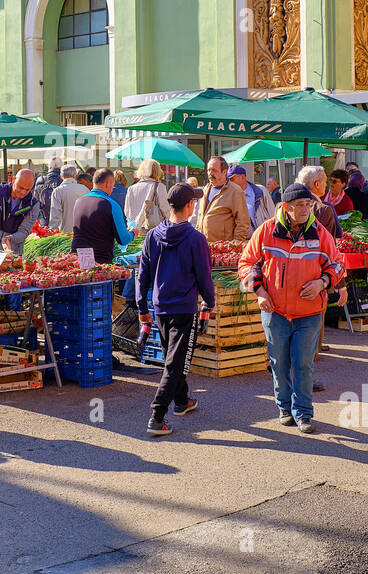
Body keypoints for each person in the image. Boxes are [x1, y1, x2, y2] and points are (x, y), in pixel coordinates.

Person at [239, 184, 345, 435]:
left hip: (308, 313)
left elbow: (338, 265)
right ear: (285, 208)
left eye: (308, 205)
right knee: (279, 362)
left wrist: (323, 282)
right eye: (299, 206)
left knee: (304, 364)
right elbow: (247, 263)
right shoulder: (266, 231)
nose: (305, 210)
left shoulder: (320, 233)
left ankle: (304, 413)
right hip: (275, 311)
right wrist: (259, 291)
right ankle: (284, 408)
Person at [137, 183, 214, 437]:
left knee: (173, 356)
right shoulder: (196, 239)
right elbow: (204, 276)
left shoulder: (152, 235)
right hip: (184, 307)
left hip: (160, 306)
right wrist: (209, 302)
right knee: (173, 362)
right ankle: (157, 416)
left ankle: (182, 401)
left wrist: (141, 306)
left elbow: (142, 274)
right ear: (190, 206)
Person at [71, 169, 133, 264]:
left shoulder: (79, 201)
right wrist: (133, 234)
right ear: (108, 184)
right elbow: (123, 239)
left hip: (77, 257)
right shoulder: (111, 205)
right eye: (112, 185)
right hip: (100, 260)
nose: (112, 189)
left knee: (84, 278)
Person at [0, 170, 39, 256]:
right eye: (20, 187)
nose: (23, 192)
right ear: (13, 180)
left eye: (27, 190)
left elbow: (24, 231)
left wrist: (11, 238)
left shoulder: (33, 204)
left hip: (12, 249)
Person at [196, 156, 251, 242]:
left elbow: (243, 222)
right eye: (208, 170)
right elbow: (200, 217)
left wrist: (234, 245)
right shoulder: (206, 189)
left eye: (214, 170)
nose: (210, 173)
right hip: (204, 246)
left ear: (224, 172)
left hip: (223, 249)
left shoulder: (235, 191)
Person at [125, 159, 175, 233]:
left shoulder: (131, 188)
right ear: (157, 171)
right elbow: (165, 210)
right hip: (155, 230)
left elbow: (127, 212)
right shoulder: (159, 186)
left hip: (135, 230)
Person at [296, 165, 342, 240]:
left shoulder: (289, 206)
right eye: (325, 181)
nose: (326, 185)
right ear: (317, 184)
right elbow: (334, 237)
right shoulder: (324, 209)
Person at [228, 164, 276, 229]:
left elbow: (273, 214)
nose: (230, 182)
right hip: (244, 238)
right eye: (228, 180)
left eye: (232, 179)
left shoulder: (261, 190)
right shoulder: (230, 197)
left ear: (242, 177)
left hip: (264, 236)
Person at [48, 165, 88, 233]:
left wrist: (53, 231)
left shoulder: (58, 191)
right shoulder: (84, 189)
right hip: (83, 232)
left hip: (65, 234)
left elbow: (55, 214)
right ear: (75, 175)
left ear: (61, 176)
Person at [33, 157, 64, 223]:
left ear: (49, 166)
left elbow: (35, 202)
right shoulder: (63, 180)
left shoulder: (40, 180)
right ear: (61, 167)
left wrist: (40, 219)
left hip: (43, 219)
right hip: (60, 220)